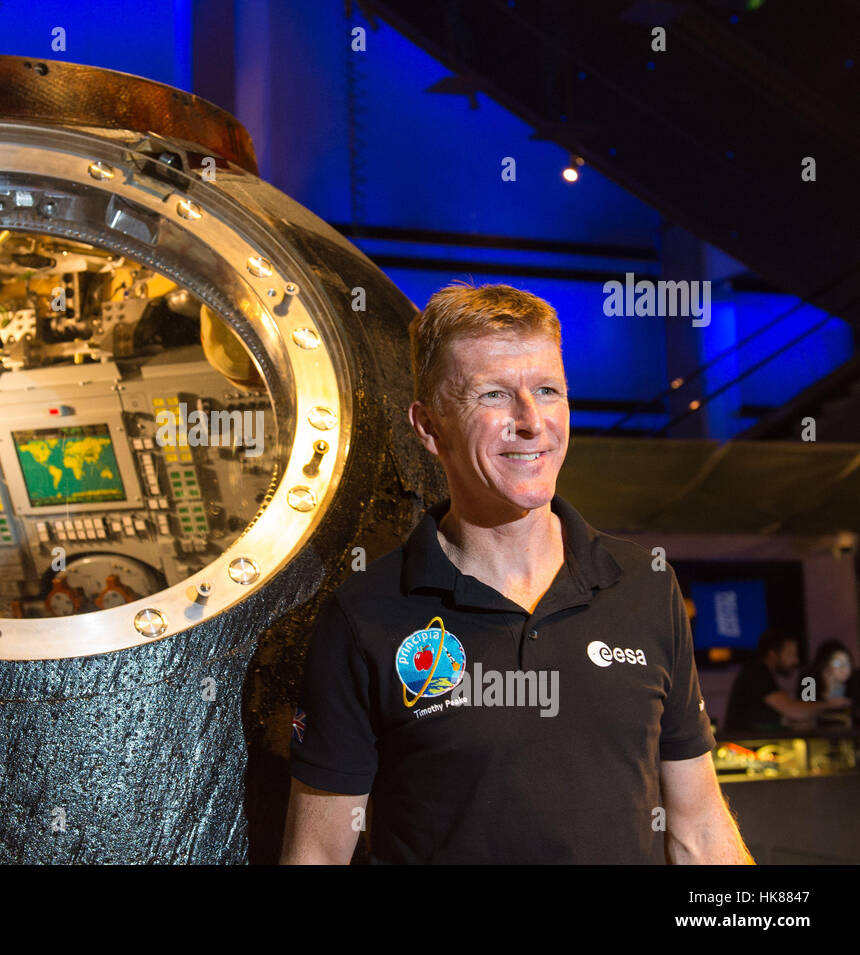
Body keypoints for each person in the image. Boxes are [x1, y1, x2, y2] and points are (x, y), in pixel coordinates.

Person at [281, 280, 752, 864]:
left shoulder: (645, 585)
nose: (531, 422)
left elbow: (699, 830)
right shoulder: (365, 615)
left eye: (548, 390)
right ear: (429, 427)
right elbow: (318, 854)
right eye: (494, 395)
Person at [722, 630, 851, 733]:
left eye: (846, 663)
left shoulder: (760, 673)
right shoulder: (758, 674)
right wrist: (830, 704)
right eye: (790, 654)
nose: (795, 661)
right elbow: (798, 711)